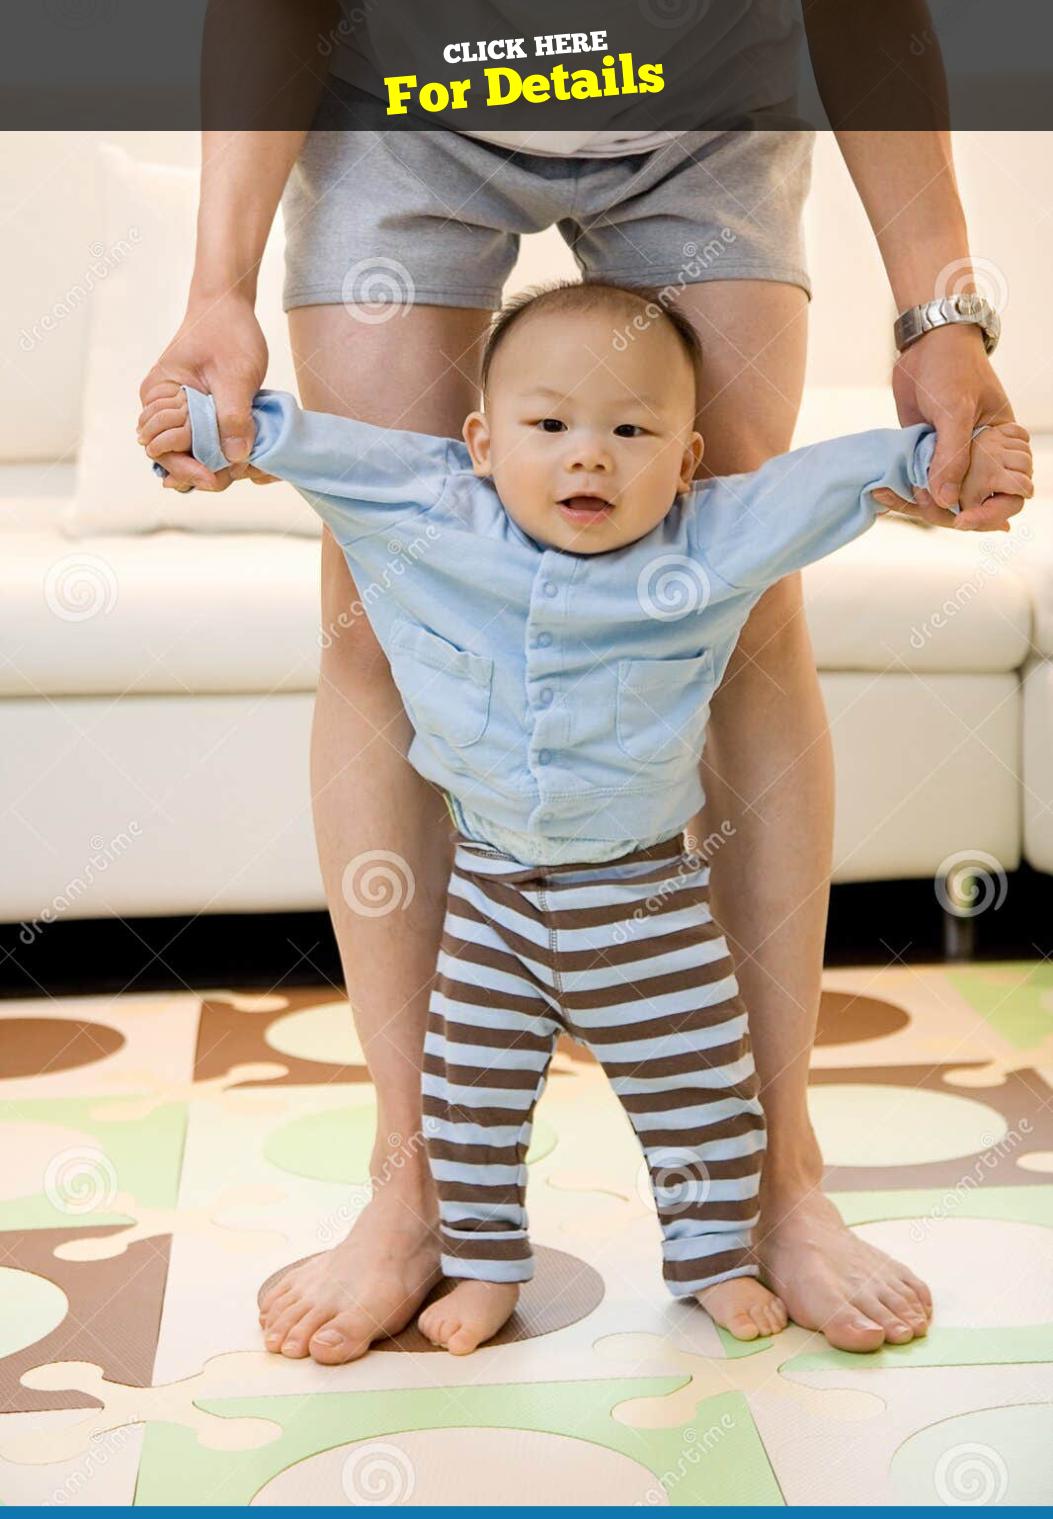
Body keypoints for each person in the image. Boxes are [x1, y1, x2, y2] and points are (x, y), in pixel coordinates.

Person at [138, 279, 1031, 1355]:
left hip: (648, 904)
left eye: (631, 429)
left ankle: (716, 1253)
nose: (589, 456)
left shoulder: (715, 538)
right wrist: (207, 427)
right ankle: (477, 1262)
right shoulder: (431, 508)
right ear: (480, 440)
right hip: (490, 900)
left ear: (689, 460)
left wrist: (934, 463)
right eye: (550, 425)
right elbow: (317, 447)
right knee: (463, 1099)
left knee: (703, 1089)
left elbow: (819, 482)